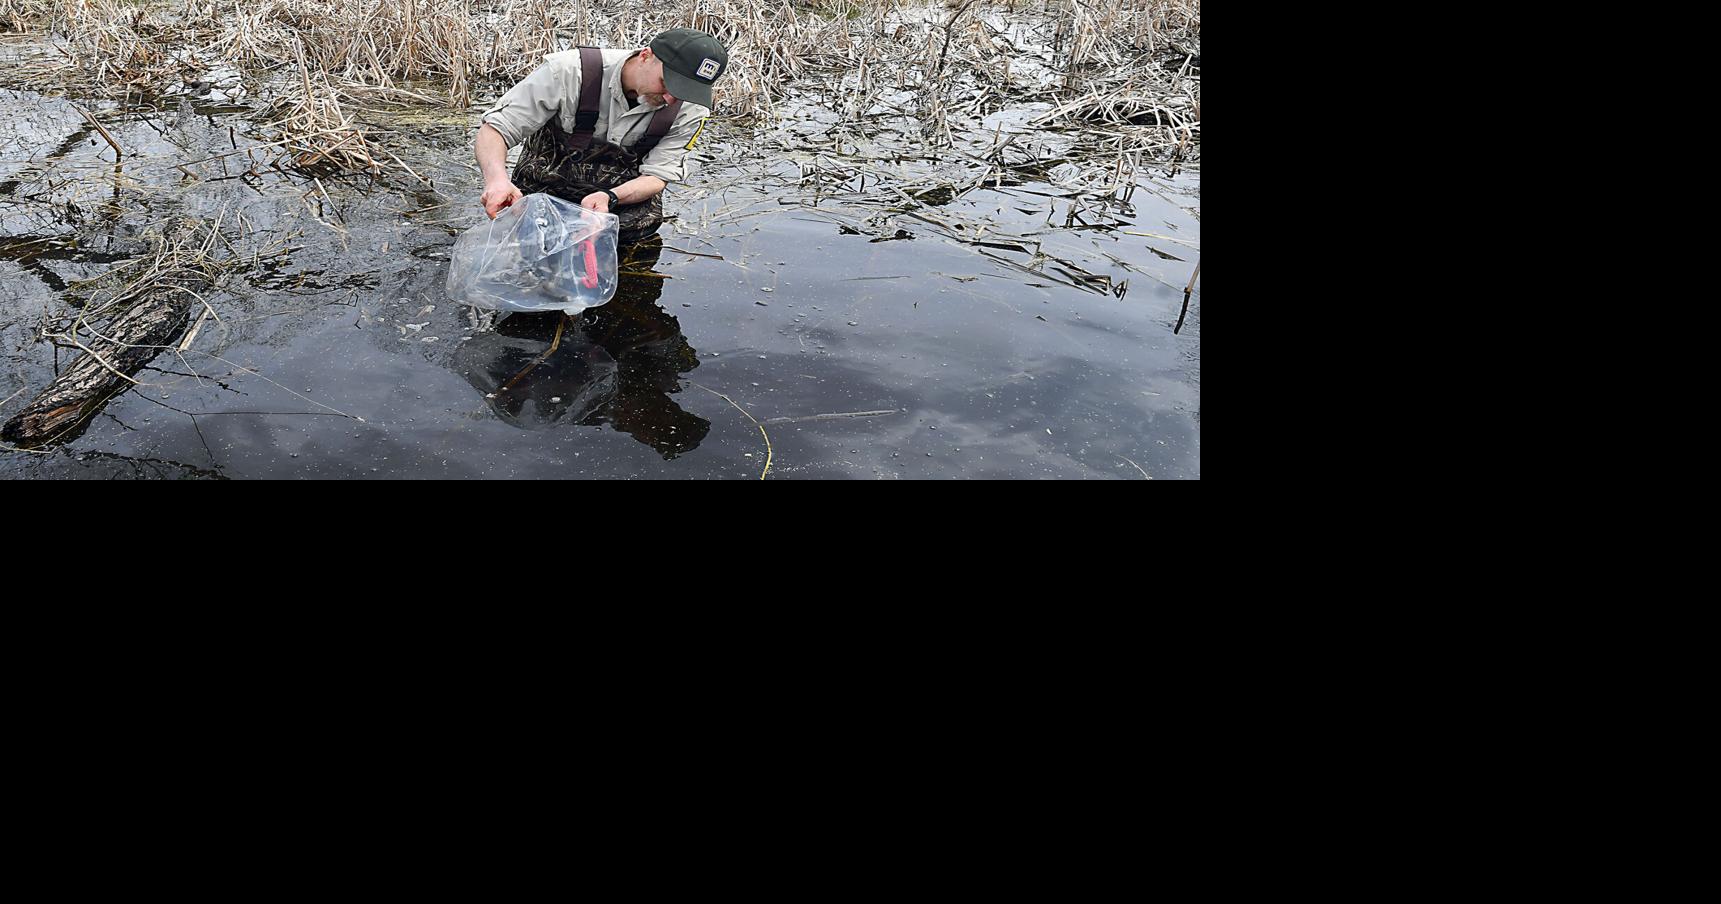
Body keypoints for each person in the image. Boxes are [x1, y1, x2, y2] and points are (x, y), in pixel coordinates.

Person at [475, 28, 728, 245]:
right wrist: (496, 180)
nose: (671, 98)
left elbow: (658, 175)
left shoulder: (692, 110)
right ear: (645, 56)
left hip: (620, 205)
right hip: (542, 189)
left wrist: (610, 198)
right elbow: (496, 129)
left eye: (685, 91)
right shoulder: (568, 71)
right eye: (667, 82)